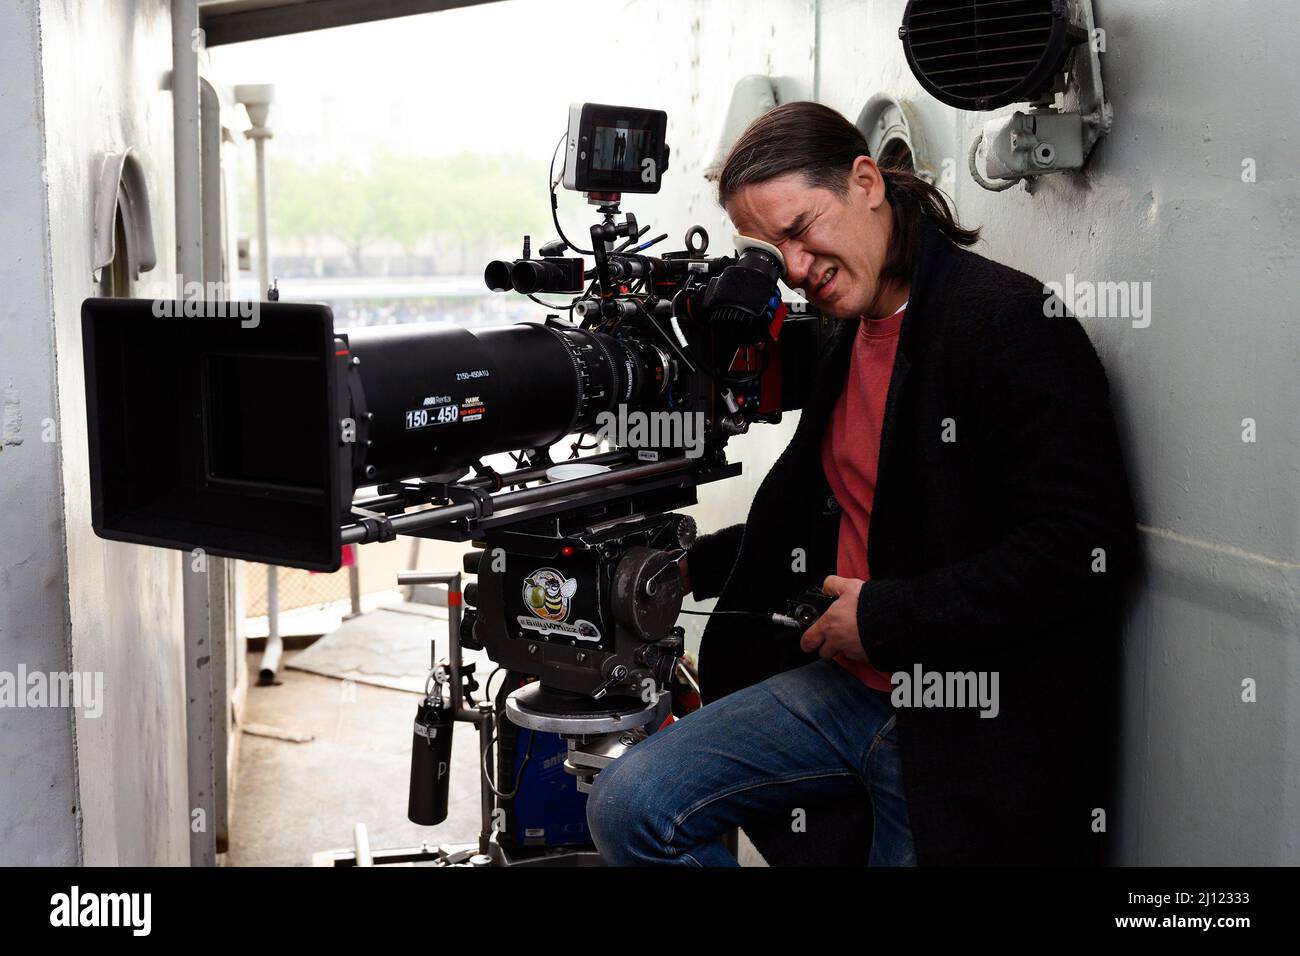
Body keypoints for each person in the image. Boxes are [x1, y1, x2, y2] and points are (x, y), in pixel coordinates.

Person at [584, 101, 1137, 867]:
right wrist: (687, 569)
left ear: (866, 181)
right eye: (772, 251)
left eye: (801, 229)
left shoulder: (1006, 322)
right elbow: (843, 511)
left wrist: (884, 617)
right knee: (633, 807)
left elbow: (1082, 548)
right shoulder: (846, 332)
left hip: (960, 714)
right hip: (849, 688)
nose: (797, 268)